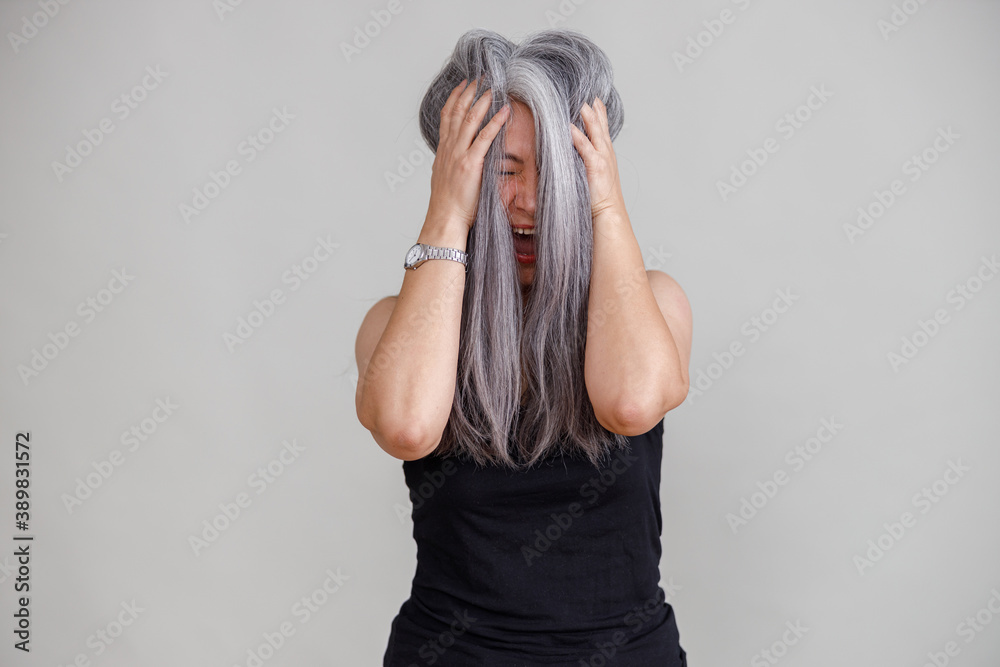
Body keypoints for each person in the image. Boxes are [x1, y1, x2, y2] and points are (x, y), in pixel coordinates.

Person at [355, 28, 692, 666]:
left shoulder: (655, 303)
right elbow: (406, 427)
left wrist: (605, 207)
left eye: (559, 174)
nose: (532, 201)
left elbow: (629, 403)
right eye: (503, 173)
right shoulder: (396, 323)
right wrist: (447, 214)